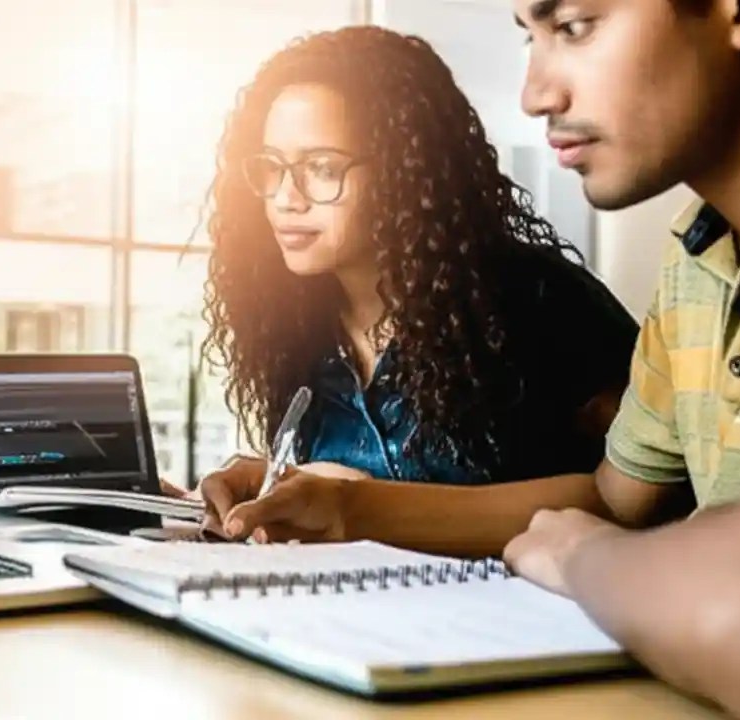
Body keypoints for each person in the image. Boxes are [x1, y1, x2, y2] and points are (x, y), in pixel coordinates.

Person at [193, 26, 639, 556]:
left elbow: (646, 496)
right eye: (271, 168)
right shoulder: (293, 332)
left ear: (406, 174)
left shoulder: (539, 301)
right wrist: (277, 490)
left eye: (321, 168)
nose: (287, 198)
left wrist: (355, 505)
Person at [499, 0, 740, 717]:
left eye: (574, 27)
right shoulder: (697, 251)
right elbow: (614, 500)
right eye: (530, 36)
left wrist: (581, 559)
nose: (535, 94)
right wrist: (347, 505)